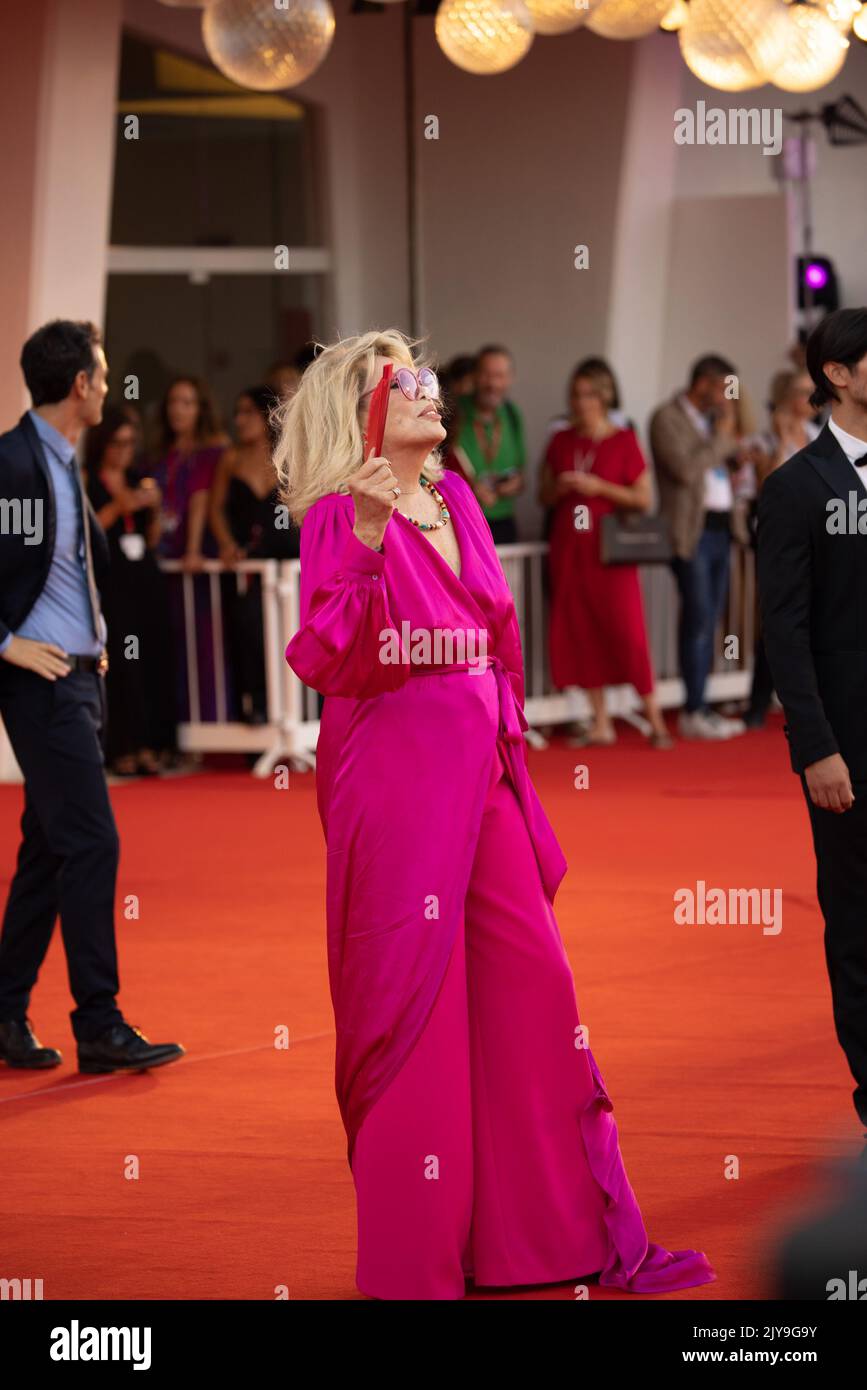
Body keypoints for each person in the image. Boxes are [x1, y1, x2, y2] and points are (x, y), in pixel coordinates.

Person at [275, 327, 714, 1301]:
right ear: (368, 412)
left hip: (485, 769)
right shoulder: (343, 513)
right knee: (414, 1012)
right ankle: (414, 1264)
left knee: (537, 987)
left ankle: (543, 1241)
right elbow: (332, 652)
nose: (436, 395)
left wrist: (509, 731)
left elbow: (498, 633)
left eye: (433, 380)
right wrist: (375, 534)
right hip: (393, 784)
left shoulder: (461, 496)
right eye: (413, 384)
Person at [0, 320, 184, 1074]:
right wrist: (6, 643)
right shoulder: (12, 464)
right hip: (40, 684)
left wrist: (94, 640)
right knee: (93, 842)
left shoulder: (61, 459)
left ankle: (4, 1012)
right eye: (103, 376)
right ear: (80, 385)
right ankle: (99, 1023)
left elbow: (71, 565)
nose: (109, 386)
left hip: (80, 677)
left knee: (48, 850)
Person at [758, 307, 867, 1137]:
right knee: (859, 921)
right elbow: (784, 634)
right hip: (849, 745)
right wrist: (816, 747)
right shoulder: (795, 490)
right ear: (837, 373)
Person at [540, 364, 672, 748]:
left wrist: (600, 487)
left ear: (604, 397)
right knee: (581, 630)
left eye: (588, 395)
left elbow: (644, 498)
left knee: (628, 631)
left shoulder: (624, 440)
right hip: (568, 544)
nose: (580, 403)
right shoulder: (560, 441)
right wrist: (564, 488)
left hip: (609, 549)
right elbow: (542, 496)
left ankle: (655, 720)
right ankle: (601, 722)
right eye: (575, 395)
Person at [650, 355, 746, 741]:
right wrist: (721, 440)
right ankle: (693, 708)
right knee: (699, 617)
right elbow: (684, 470)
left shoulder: (709, 421)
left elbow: (719, 465)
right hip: (691, 532)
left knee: (712, 618)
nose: (726, 397)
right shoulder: (666, 418)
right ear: (704, 383)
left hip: (722, 529)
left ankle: (703, 705)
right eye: (723, 387)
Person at [84, 405, 176, 773]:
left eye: (130, 443)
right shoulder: (89, 481)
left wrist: (152, 509)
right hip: (113, 581)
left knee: (152, 656)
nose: (124, 450)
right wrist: (118, 506)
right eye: (117, 443)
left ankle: (151, 745)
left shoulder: (139, 476)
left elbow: (152, 537)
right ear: (103, 443)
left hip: (144, 578)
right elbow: (88, 532)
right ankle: (123, 746)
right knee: (123, 662)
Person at [209, 386, 299, 723]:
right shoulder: (230, 457)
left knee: (294, 633)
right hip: (250, 559)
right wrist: (227, 543)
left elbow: (306, 503)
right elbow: (216, 510)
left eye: (248, 412)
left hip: (290, 556)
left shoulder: (288, 454)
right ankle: (258, 708)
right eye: (237, 412)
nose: (239, 419)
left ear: (266, 416)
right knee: (249, 629)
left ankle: (298, 717)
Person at [744, 369, 821, 729]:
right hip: (780, 539)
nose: (811, 398)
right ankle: (758, 701)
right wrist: (781, 440)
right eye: (804, 391)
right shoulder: (763, 441)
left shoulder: (821, 436)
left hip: (822, 535)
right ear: (786, 396)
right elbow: (768, 489)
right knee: (778, 618)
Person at [153, 376, 226, 724]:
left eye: (187, 402)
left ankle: (211, 727)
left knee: (205, 644)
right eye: (172, 402)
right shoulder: (161, 455)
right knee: (170, 644)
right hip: (166, 556)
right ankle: (179, 728)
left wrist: (194, 549)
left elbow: (201, 501)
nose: (177, 410)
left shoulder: (213, 451)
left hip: (195, 562)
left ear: (201, 409)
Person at [449, 344, 526, 544]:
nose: (492, 383)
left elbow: (522, 473)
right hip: (463, 520)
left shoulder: (511, 413)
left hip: (503, 521)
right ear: (474, 375)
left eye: (500, 375)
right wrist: (468, 489)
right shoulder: (454, 412)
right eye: (486, 375)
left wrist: (514, 484)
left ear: (510, 378)